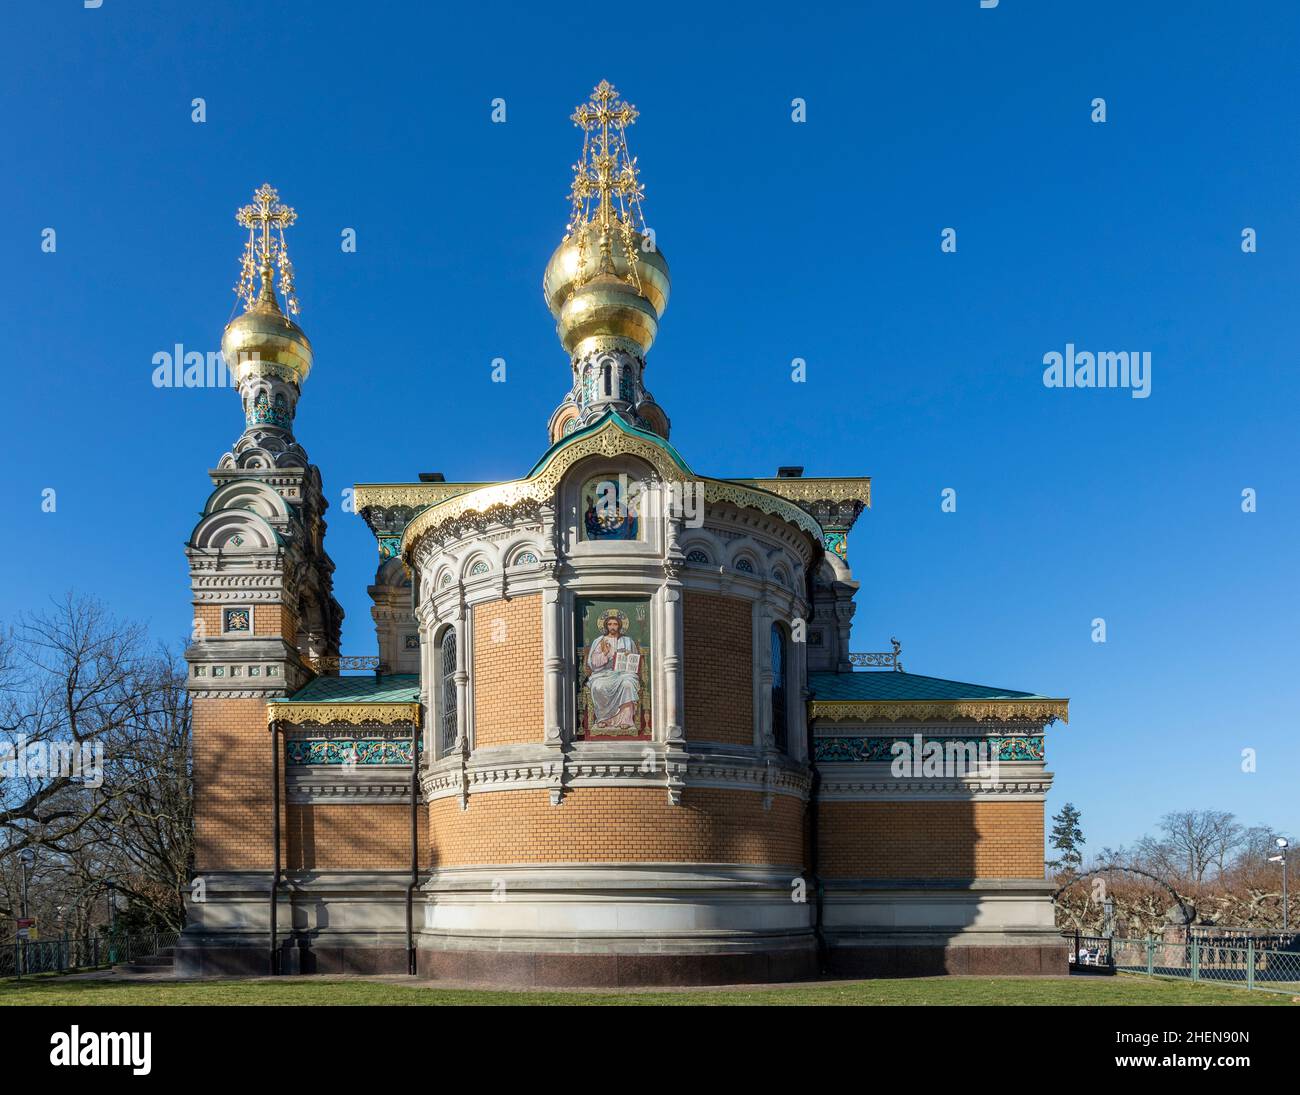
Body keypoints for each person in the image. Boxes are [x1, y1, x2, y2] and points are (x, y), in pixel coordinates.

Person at [584, 611, 641, 730]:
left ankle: (625, 720)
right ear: (606, 626)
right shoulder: (600, 641)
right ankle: (603, 719)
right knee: (598, 686)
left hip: (624, 673)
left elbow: (635, 660)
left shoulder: (627, 641)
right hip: (603, 673)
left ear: (619, 625)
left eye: (615, 624)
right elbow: (593, 663)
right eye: (610, 624)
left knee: (627, 684)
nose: (612, 626)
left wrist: (628, 656)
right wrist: (604, 653)